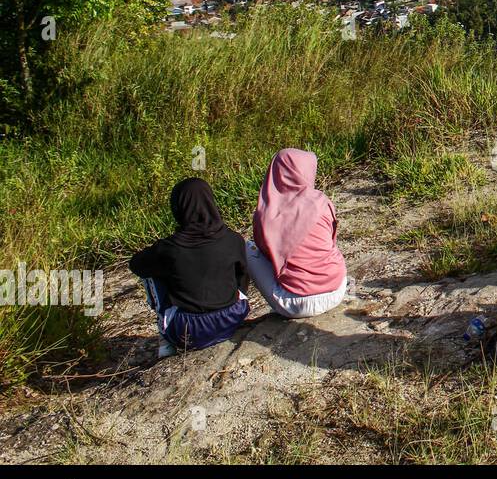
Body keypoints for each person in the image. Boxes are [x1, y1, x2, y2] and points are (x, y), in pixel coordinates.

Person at [128, 178, 250, 358]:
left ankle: (165, 341)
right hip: (233, 317)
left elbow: (135, 264)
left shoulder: (169, 248)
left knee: (150, 272)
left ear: (179, 208)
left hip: (188, 331)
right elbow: (242, 277)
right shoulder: (233, 239)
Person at [246, 148, 348, 319]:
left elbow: (266, 252)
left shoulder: (265, 213)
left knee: (248, 249)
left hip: (294, 304)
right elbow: (331, 239)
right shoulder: (321, 201)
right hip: (337, 289)